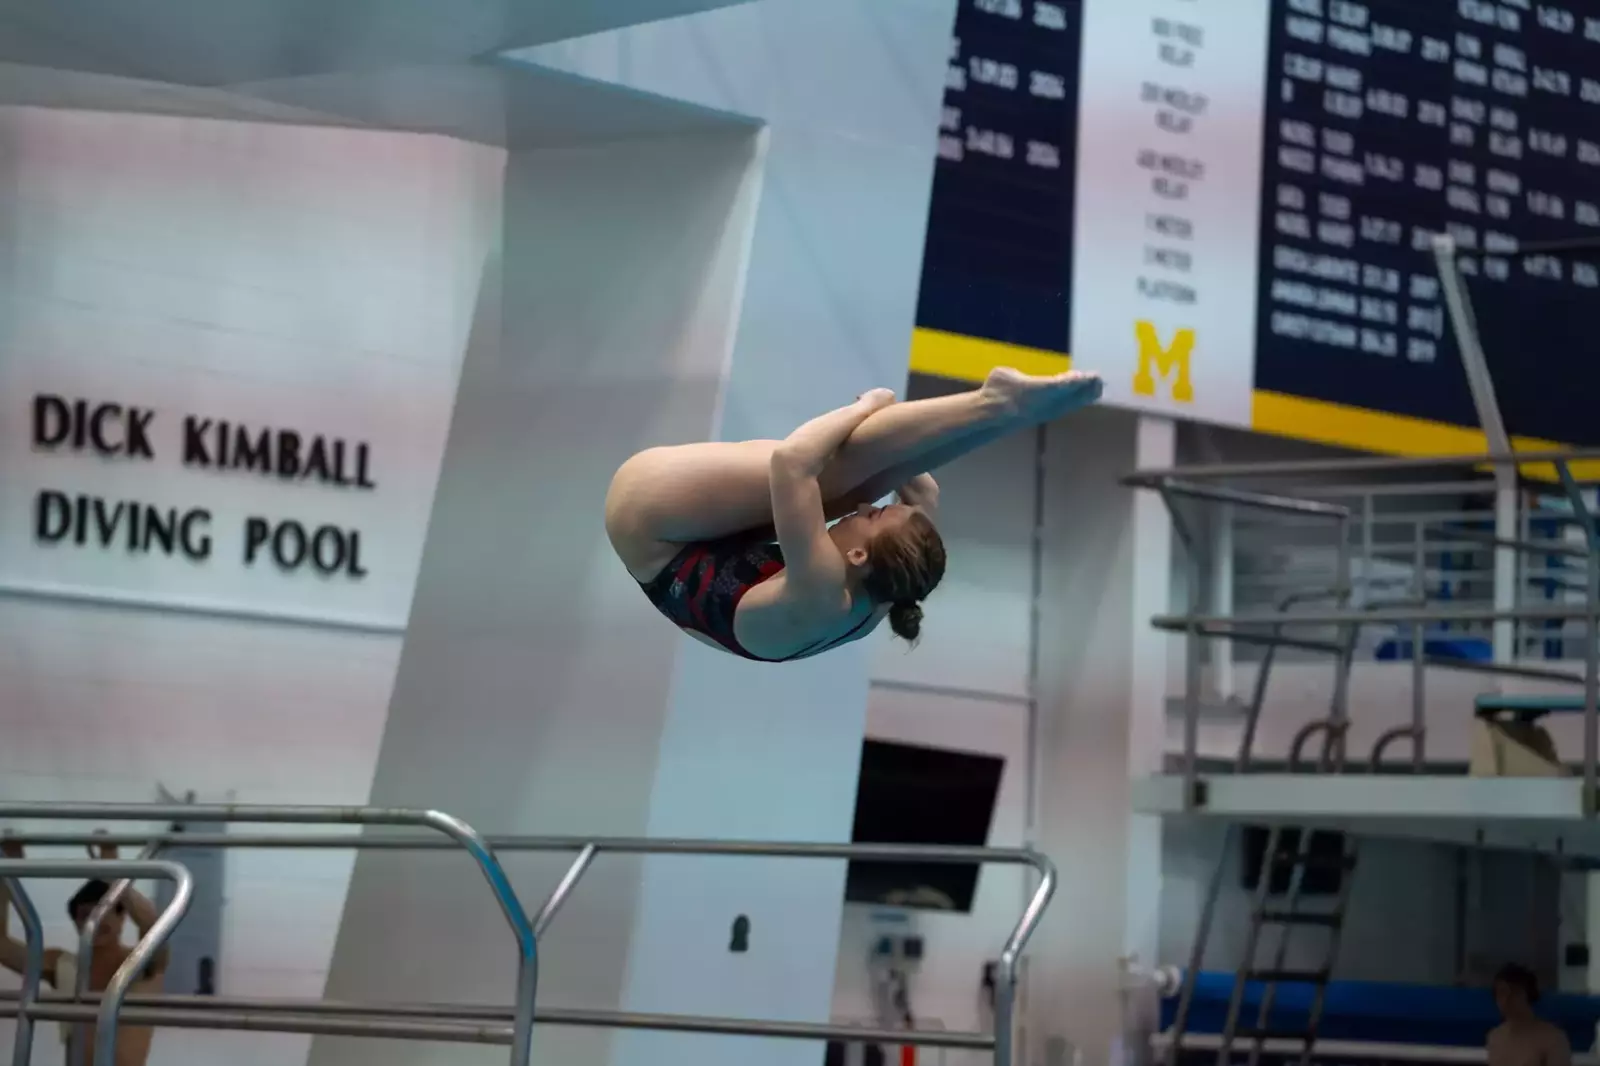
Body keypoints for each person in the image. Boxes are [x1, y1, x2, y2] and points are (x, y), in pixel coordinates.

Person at [606, 366, 1103, 661]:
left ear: (862, 552)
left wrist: (865, 407)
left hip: (649, 520)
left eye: (873, 519)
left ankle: (994, 403)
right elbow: (922, 495)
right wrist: (900, 474)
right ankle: (1012, 414)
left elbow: (793, 462)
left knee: (836, 478)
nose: (871, 510)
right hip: (704, 543)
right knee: (861, 484)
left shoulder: (824, 588)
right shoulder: (881, 589)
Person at [0, 836, 169, 1066]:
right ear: (76, 923)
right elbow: (2, 946)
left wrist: (113, 875)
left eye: (103, 913)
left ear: (122, 917)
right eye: (85, 916)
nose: (95, 922)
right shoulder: (62, 965)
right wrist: (8, 875)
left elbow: (154, 925)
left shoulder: (139, 964)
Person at [1487, 963, 1571, 1066]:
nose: (1506, 1000)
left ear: (1529, 994)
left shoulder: (1553, 1039)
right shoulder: (1495, 1037)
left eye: (1514, 992)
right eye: (1501, 993)